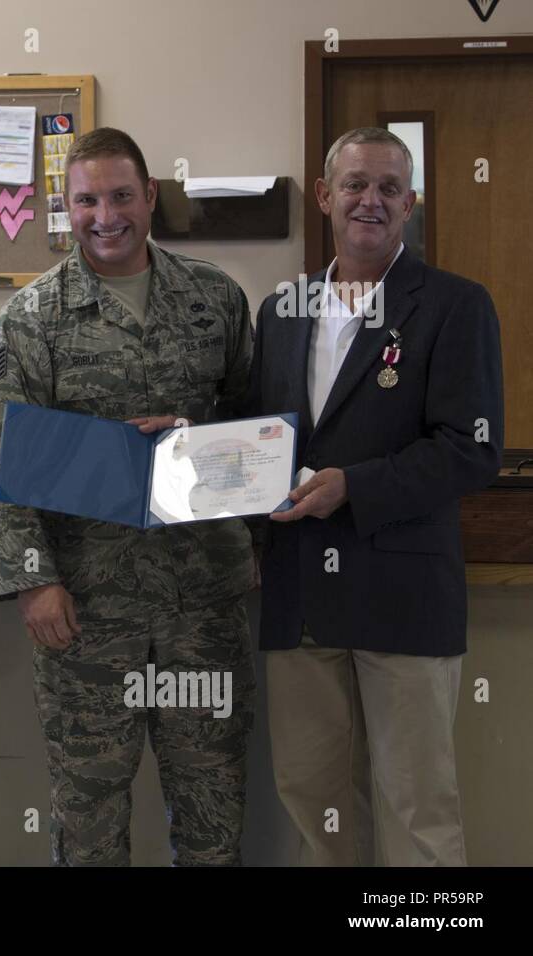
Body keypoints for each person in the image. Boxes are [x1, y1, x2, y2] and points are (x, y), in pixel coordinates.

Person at [0, 127, 256, 866]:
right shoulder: (31, 321)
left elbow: (257, 429)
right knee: (90, 813)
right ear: (66, 208)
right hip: (87, 612)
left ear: (150, 195)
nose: (106, 215)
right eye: (88, 199)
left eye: (122, 195)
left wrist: (197, 434)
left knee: (212, 801)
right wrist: (34, 583)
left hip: (203, 602)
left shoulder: (215, 300)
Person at [249, 127, 503, 866]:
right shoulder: (281, 311)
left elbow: (472, 445)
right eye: (357, 184)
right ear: (326, 196)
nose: (372, 200)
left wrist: (353, 488)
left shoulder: (456, 306)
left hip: (402, 592)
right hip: (300, 596)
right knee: (314, 802)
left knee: (416, 805)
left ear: (409, 204)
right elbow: (264, 435)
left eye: (390, 188)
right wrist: (189, 441)